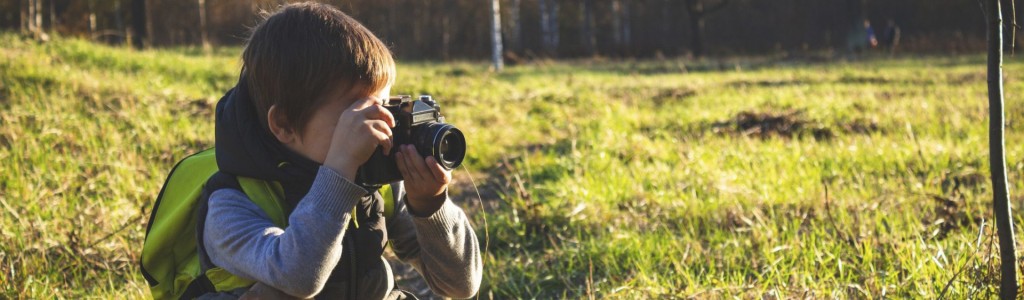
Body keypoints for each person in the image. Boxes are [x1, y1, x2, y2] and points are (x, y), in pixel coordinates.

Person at [193, 3, 481, 299]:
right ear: (285, 123)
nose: (371, 127)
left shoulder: (375, 178)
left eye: (381, 107)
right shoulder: (232, 203)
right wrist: (339, 173)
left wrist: (430, 205)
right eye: (353, 116)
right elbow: (298, 276)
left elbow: (459, 286)